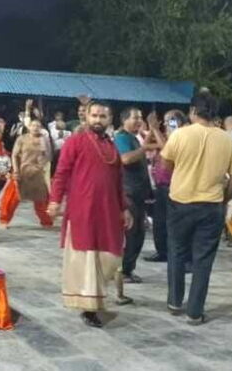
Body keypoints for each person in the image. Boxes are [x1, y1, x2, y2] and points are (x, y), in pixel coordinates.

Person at [160, 91, 232, 324]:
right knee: (203, 259)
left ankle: (175, 302)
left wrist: (182, 175)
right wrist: (224, 199)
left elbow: (165, 164)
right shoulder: (227, 139)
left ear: (193, 111)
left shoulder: (180, 135)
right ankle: (195, 312)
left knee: (176, 251)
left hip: (180, 202)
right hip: (211, 205)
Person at [48, 101, 131, 328]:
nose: (97, 120)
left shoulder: (111, 146)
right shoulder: (75, 142)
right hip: (82, 211)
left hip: (108, 212)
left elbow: (118, 182)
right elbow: (61, 173)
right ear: (87, 118)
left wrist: (124, 208)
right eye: (94, 116)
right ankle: (89, 307)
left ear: (109, 120)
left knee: (111, 258)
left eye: (102, 116)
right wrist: (55, 200)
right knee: (87, 261)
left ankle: (93, 299)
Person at [113, 108, 157, 283]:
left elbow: (145, 147)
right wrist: (145, 148)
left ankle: (128, 269)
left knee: (139, 233)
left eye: (140, 118)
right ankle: (123, 271)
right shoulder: (122, 138)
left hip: (138, 193)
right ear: (124, 119)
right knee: (132, 233)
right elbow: (125, 159)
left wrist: (152, 130)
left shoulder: (133, 138)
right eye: (135, 118)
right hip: (128, 192)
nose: (139, 121)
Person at [144, 109, 187, 263]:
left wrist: (155, 129)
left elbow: (166, 147)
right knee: (159, 221)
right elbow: (146, 145)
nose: (168, 123)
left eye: (171, 120)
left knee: (170, 221)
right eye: (167, 120)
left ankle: (171, 252)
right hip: (160, 184)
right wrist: (152, 128)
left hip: (172, 184)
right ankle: (161, 251)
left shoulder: (180, 136)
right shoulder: (165, 136)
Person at [0, 118, 53, 228]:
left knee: (41, 200)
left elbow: (48, 156)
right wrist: (16, 170)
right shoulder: (22, 138)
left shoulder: (44, 139)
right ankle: (4, 220)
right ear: (29, 127)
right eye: (33, 125)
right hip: (21, 171)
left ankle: (46, 221)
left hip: (37, 172)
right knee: (12, 198)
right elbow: (14, 155)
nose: (35, 128)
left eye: (38, 126)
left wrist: (39, 167)